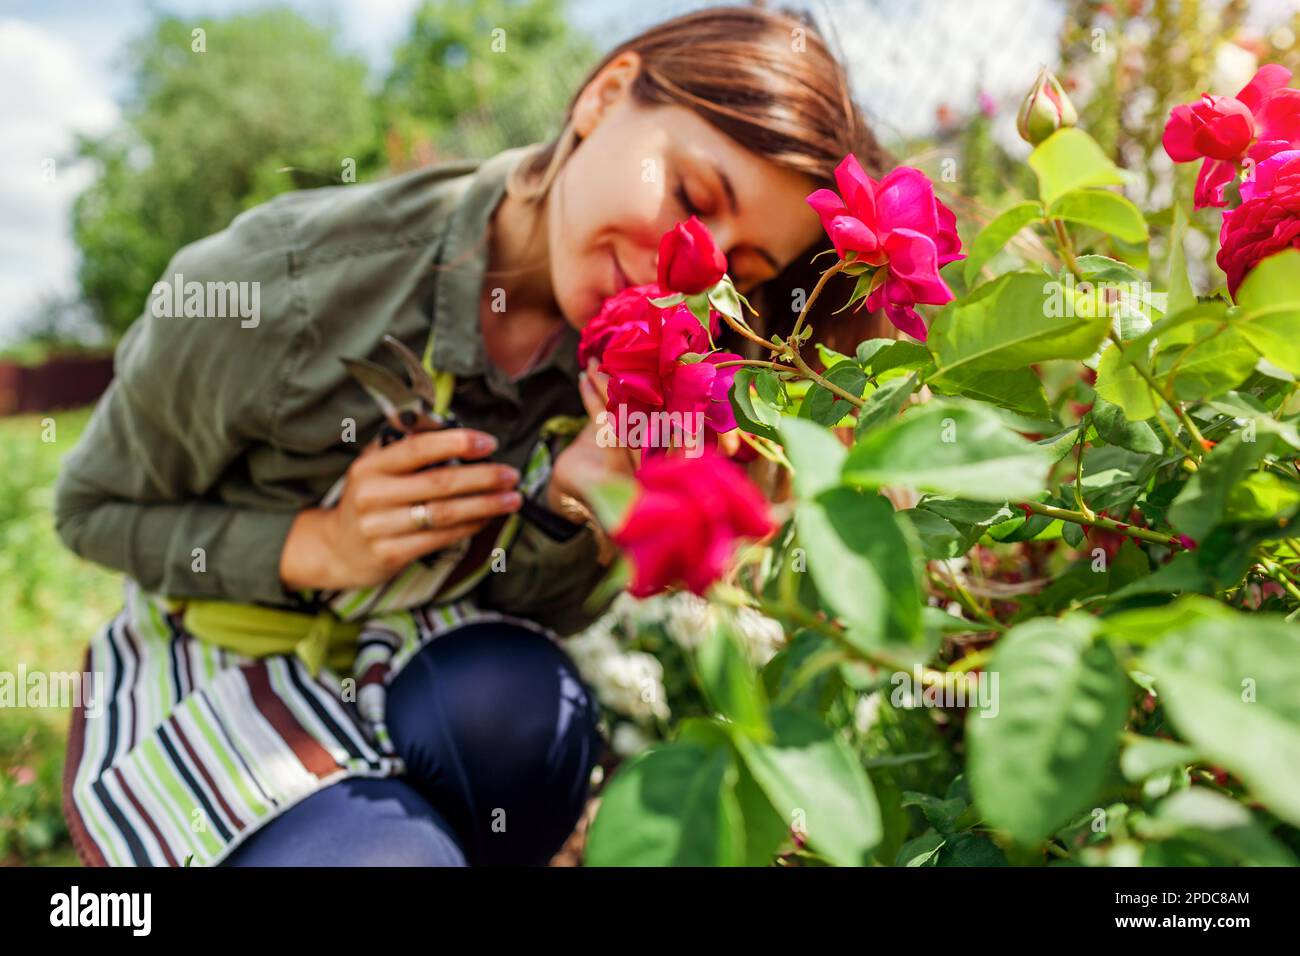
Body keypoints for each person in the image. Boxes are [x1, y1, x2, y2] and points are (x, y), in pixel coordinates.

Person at [54, 5, 892, 867]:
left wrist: (570, 512)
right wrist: (318, 545)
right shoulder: (281, 289)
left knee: (528, 723)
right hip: (227, 654)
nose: (696, 266)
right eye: (692, 197)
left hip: (422, 653)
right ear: (606, 97)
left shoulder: (648, 354)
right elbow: (91, 511)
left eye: (742, 268)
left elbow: (533, 609)